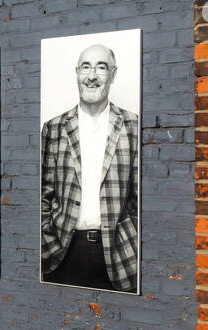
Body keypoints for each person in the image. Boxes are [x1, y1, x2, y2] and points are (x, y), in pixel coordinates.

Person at [40, 43, 139, 293]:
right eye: (86, 67)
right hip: (61, 252)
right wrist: (46, 240)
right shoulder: (53, 128)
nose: (92, 76)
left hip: (119, 255)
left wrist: (134, 241)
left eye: (101, 67)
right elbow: (41, 195)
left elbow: (143, 201)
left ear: (113, 74)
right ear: (77, 73)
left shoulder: (134, 127)